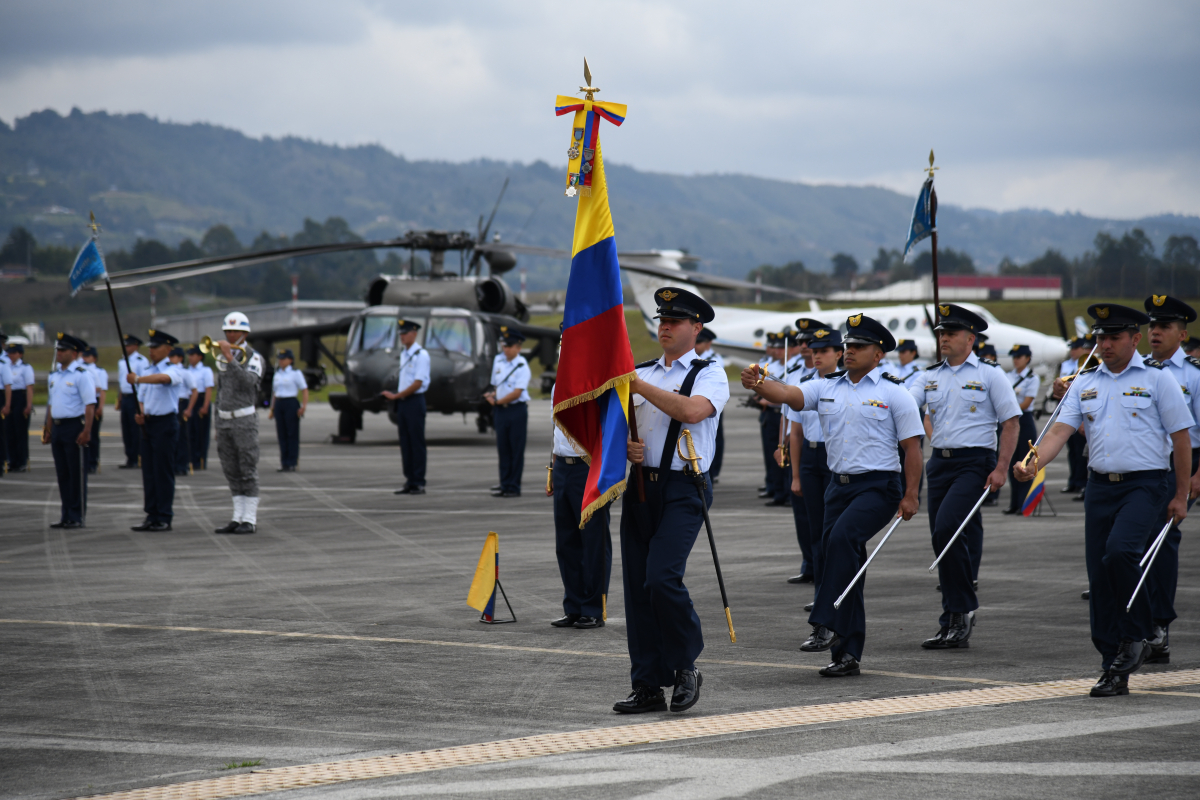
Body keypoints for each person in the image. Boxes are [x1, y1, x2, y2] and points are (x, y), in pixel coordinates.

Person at [1020, 303, 1193, 698]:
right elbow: (1059, 432)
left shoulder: (1157, 380)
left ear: (1134, 339)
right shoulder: (1085, 383)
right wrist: (1032, 464)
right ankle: (1112, 664)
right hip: (1100, 487)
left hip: (1145, 485)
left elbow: (1181, 439)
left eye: (1114, 337)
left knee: (1120, 552)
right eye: (1100, 337)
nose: (1105, 344)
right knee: (1099, 577)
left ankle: (1141, 632)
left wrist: (1181, 495)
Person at [743, 313, 923, 678]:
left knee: (841, 540)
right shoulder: (824, 386)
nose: (850, 350)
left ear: (878, 353)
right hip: (837, 487)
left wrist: (911, 494)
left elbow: (912, 448)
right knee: (840, 560)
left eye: (859, 346)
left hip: (878, 487)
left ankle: (824, 621)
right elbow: (788, 395)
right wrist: (759, 384)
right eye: (848, 345)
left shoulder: (894, 393)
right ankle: (848, 653)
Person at [616, 286, 729, 714]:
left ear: (696, 328)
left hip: (684, 487)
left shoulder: (709, 373)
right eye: (662, 320)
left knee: (662, 578)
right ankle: (647, 684)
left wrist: (639, 386)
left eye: (675, 321)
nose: (665, 327)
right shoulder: (642, 372)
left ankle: (685, 666)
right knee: (637, 588)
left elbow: (693, 412)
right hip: (641, 486)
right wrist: (626, 446)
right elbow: (618, 427)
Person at [909, 305, 1021, 649]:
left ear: (971, 339)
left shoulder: (990, 375)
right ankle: (952, 617)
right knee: (944, 538)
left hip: (975, 463)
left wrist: (1001, 467)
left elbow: (1011, 422)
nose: (943, 338)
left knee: (948, 529)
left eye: (951, 333)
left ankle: (962, 609)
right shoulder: (928, 376)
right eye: (941, 333)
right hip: (939, 464)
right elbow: (906, 406)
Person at [1141, 295, 1200, 664]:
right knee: (1136, 541)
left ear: (1183, 334)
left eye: (1164, 326)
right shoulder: (1138, 370)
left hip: (1183, 463)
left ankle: (1158, 625)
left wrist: (1196, 476)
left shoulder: (1193, 375)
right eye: (1152, 326)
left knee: (1161, 540)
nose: (1155, 332)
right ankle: (1141, 618)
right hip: (1146, 463)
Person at [787, 323, 842, 611]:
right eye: (814, 350)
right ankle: (822, 593)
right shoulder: (804, 386)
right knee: (816, 529)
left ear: (839, 353)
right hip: (810, 458)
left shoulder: (848, 385)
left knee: (836, 531)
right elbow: (795, 433)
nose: (816, 355)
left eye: (824, 350)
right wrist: (796, 475)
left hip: (836, 459)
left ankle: (839, 590)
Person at [548, 382, 612, 630]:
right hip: (563, 467)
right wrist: (553, 468)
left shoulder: (596, 383)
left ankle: (594, 608)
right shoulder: (558, 384)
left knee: (594, 542)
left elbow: (609, 427)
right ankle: (573, 606)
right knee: (566, 542)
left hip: (589, 466)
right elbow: (556, 428)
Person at [212, 312, 265, 534]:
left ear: (245, 333)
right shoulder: (223, 357)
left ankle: (249, 519)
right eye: (228, 331)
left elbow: (249, 381)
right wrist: (217, 421)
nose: (231, 335)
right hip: (224, 420)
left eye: (235, 331)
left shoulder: (253, 357)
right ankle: (237, 517)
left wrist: (230, 358)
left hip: (244, 420)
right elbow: (221, 392)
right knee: (231, 470)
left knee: (247, 469)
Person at [128, 330, 184, 532]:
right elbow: (142, 399)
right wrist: (141, 414)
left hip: (165, 424)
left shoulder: (173, 369)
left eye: (156, 347)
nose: (151, 351)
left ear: (168, 349)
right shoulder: (146, 371)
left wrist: (138, 379)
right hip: (149, 424)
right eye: (150, 347)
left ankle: (164, 516)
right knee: (149, 472)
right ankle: (151, 515)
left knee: (162, 472)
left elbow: (163, 379)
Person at [43, 333, 96, 528]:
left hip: (74, 427)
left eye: (63, 350)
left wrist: (87, 431)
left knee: (76, 475)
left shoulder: (82, 375)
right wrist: (47, 428)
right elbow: (51, 404)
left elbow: (90, 404)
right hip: (58, 428)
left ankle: (76, 515)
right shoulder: (54, 375)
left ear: (74, 353)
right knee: (63, 474)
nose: (59, 353)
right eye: (58, 350)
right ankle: (66, 514)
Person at [784, 320, 822, 583]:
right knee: (804, 514)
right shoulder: (795, 375)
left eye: (812, 343)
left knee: (827, 519)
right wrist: (781, 446)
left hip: (830, 453)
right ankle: (810, 565)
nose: (805, 347)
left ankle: (826, 572)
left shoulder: (839, 380)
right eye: (801, 342)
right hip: (806, 450)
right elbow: (788, 419)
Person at [383, 320, 430, 494]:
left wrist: (396, 396)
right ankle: (410, 480)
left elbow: (418, 383)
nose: (402, 337)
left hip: (414, 401)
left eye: (405, 333)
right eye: (400, 334)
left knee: (416, 442)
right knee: (405, 442)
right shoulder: (404, 353)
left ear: (414, 334)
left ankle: (418, 481)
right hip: (403, 402)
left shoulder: (421, 355)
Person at [485, 327, 531, 498]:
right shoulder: (498, 362)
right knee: (503, 449)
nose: (506, 349)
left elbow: (517, 392)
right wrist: (491, 396)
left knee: (515, 450)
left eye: (510, 346)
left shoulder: (521, 365)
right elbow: (495, 385)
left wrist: (497, 401)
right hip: (501, 411)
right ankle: (504, 483)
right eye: (504, 346)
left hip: (516, 410)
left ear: (518, 347)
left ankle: (513, 486)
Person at [1003, 344, 1041, 515]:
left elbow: (1026, 402)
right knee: (1012, 462)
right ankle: (1014, 503)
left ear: (1027, 358)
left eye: (1019, 357)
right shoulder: (1008, 376)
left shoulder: (1032, 378)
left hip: (1024, 420)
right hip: (1010, 420)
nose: (1016, 360)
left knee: (1024, 462)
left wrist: (1008, 409)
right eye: (1014, 357)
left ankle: (1024, 503)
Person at [757, 332, 788, 504]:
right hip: (771, 413)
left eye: (781, 347)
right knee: (771, 454)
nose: (777, 351)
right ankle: (776, 490)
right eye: (775, 347)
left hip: (783, 413)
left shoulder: (793, 368)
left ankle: (786, 492)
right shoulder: (772, 367)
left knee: (786, 456)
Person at [1060, 336, 1091, 496]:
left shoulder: (1091, 365)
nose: (1073, 351)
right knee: (1072, 451)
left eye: (1076, 348)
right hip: (1069, 409)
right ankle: (1074, 481)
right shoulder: (1066, 365)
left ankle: (1082, 483)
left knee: (1082, 452)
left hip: (1084, 415)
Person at [269, 349, 309, 473]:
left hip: (290, 402)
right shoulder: (277, 374)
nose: (281, 361)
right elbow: (274, 392)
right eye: (280, 359)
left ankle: (292, 462)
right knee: (281, 434)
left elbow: (304, 389)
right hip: (279, 403)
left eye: (283, 359)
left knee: (292, 434)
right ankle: (284, 462)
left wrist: (303, 406)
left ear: (290, 360)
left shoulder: (295, 373)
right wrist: (272, 408)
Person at [694, 327, 725, 482]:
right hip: (696, 403)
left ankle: (712, 471)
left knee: (713, 437)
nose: (696, 345)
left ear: (708, 343)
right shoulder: (694, 358)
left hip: (711, 403)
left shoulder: (714, 360)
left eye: (699, 342)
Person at [115, 334, 150, 469]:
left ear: (135, 346)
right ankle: (130, 457)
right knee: (126, 429)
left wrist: (142, 401)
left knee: (136, 429)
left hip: (135, 397)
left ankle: (137, 457)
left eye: (128, 345)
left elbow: (143, 382)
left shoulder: (141, 361)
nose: (126, 348)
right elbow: (121, 381)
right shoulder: (121, 361)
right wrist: (119, 398)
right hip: (125, 397)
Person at [3, 343, 34, 472]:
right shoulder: (6, 366)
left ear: (20, 354)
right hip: (9, 397)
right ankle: (12, 461)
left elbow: (29, 387)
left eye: (13, 353)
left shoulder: (25, 368)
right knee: (9, 431)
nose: (10, 355)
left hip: (20, 397)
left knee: (20, 431)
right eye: (9, 353)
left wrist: (29, 405)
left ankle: (22, 461)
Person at [169, 347, 198, 476]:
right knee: (171, 436)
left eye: (173, 356)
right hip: (172, 403)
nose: (170, 359)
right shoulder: (168, 371)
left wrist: (189, 409)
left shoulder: (185, 372)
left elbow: (194, 391)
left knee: (181, 437)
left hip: (182, 403)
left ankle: (182, 465)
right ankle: (173, 464)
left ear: (180, 358)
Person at [185, 346, 214, 470]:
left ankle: (200, 461)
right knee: (189, 432)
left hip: (200, 401)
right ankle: (191, 459)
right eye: (189, 355)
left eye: (192, 355)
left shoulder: (205, 370)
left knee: (200, 433)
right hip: (189, 400)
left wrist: (205, 406)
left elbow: (208, 389)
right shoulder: (187, 370)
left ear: (200, 356)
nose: (190, 357)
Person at [81, 346, 109, 474]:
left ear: (94, 358)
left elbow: (102, 390)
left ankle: (93, 462)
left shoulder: (99, 371)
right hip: (83, 403)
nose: (85, 358)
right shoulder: (80, 368)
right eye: (84, 355)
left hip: (94, 402)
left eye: (88, 356)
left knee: (93, 435)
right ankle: (85, 462)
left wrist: (100, 407)